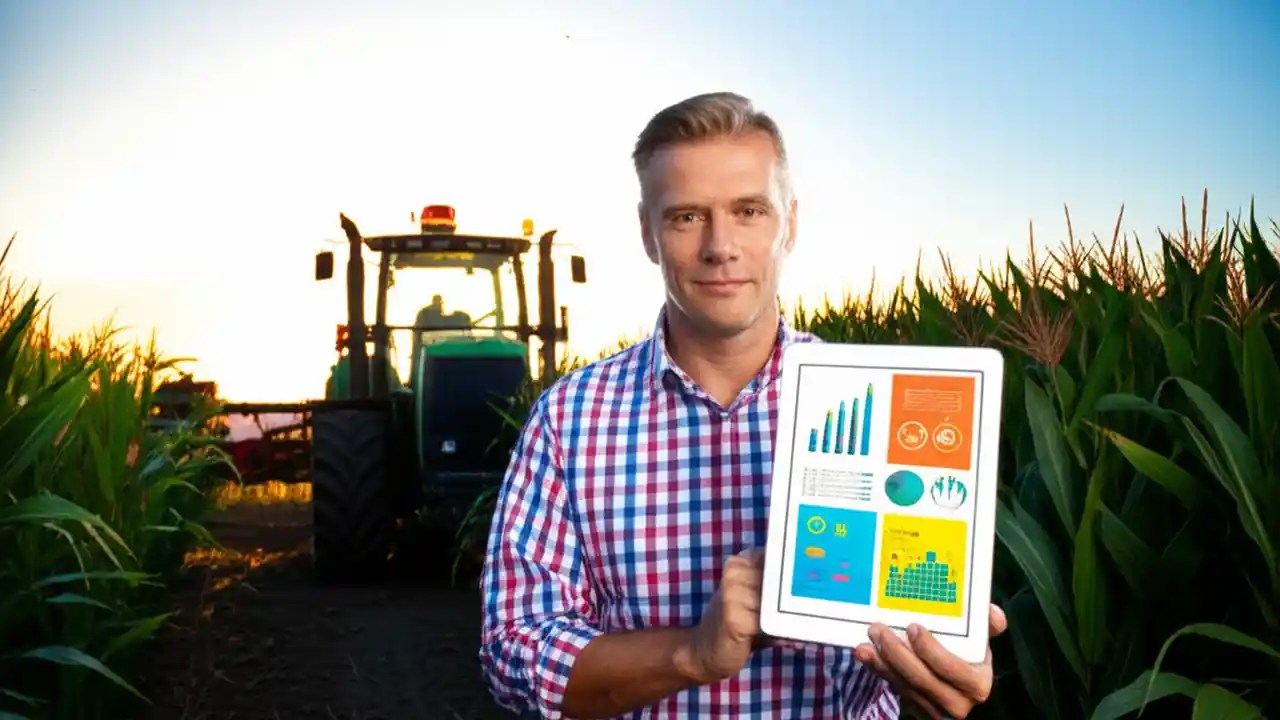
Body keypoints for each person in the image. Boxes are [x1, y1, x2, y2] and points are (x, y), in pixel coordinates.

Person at [479, 91, 1006, 719]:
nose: (720, 246)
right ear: (648, 233)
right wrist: (690, 654)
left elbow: (912, 644)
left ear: (790, 223)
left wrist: (941, 664)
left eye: (749, 211)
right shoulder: (570, 419)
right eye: (686, 217)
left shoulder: (887, 403)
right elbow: (513, 653)